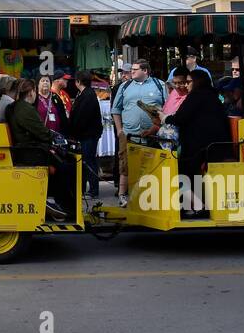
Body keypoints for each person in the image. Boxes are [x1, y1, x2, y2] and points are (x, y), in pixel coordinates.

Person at [164, 68, 230, 217]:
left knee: (175, 171)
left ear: (197, 82)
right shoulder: (210, 96)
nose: (186, 85)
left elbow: (180, 118)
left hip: (207, 147)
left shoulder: (197, 96)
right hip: (211, 144)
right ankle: (189, 207)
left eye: (188, 82)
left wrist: (164, 118)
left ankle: (198, 205)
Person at [6, 78, 70, 220]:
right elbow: (41, 132)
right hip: (30, 151)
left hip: (27, 148)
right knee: (65, 166)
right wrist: (54, 139)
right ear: (30, 92)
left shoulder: (16, 107)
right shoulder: (25, 109)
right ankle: (53, 201)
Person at [110, 59, 167, 207]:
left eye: (135, 69)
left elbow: (167, 108)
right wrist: (119, 130)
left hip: (153, 135)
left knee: (151, 165)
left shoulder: (160, 85)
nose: (131, 72)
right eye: (132, 69)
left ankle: (150, 196)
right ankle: (122, 195)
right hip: (129, 134)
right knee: (125, 165)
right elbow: (115, 109)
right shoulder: (125, 86)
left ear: (145, 71)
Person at [68, 70, 104, 199]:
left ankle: (93, 190)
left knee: (89, 161)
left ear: (78, 82)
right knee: (86, 161)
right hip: (86, 134)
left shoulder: (87, 95)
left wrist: (73, 131)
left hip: (87, 135)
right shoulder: (84, 94)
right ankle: (84, 189)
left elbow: (82, 117)